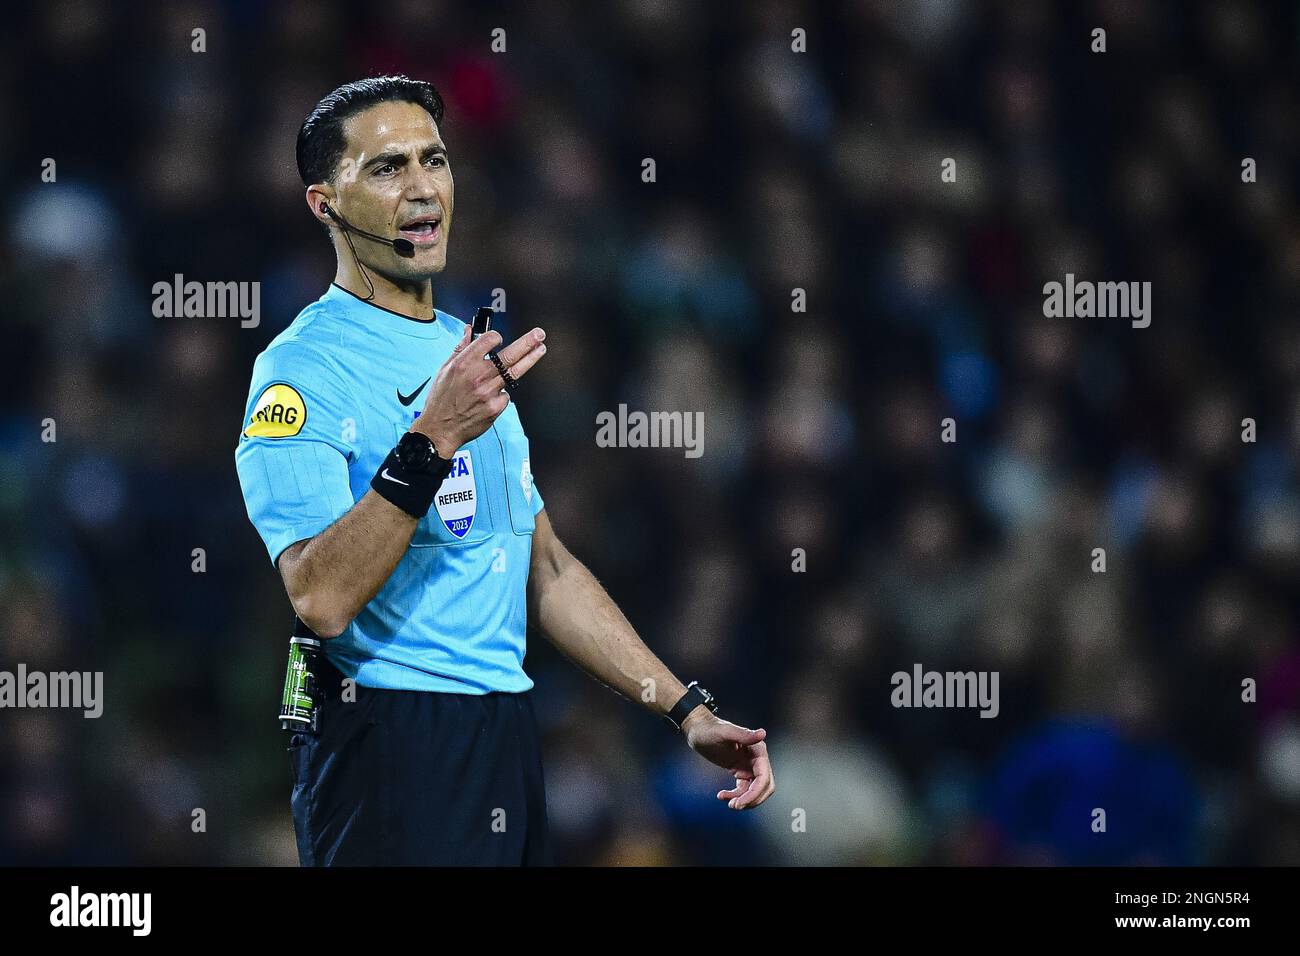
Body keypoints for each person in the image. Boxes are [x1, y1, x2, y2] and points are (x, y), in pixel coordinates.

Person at [234, 75, 774, 865]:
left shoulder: (466, 350)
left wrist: (685, 709)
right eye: (387, 168)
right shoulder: (300, 372)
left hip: (502, 734)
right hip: (389, 735)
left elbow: (545, 566)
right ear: (325, 203)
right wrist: (432, 437)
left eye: (434, 160)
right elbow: (320, 595)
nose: (422, 187)